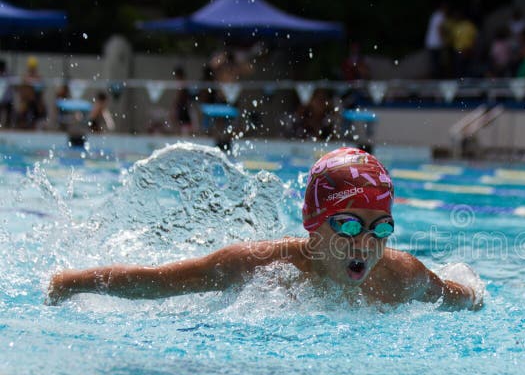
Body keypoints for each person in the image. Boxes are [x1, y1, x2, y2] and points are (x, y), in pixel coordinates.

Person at [47, 148, 482, 310]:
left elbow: (456, 296)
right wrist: (73, 282)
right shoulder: (258, 267)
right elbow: (159, 282)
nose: (365, 243)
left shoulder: (401, 275)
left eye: (379, 227)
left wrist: (476, 296)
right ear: (314, 227)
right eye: (348, 223)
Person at [425, 2, 449, 78]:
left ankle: (435, 77)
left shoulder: (435, 15)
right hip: (436, 43)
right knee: (437, 63)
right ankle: (437, 78)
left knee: (434, 62)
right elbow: (440, 29)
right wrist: (444, 40)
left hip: (430, 42)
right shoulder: (441, 16)